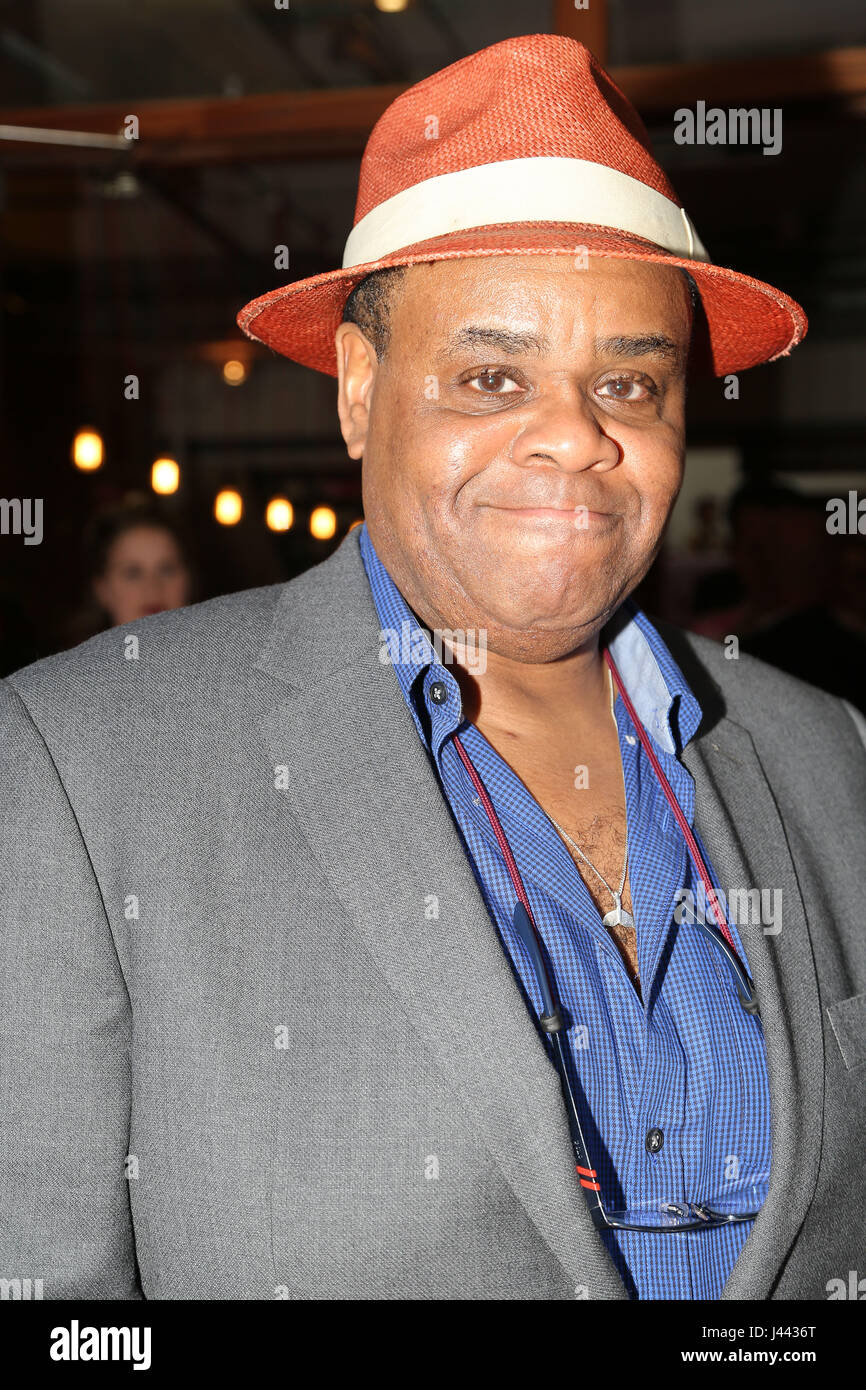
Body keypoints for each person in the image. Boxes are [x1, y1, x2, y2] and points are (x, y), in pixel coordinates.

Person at [2, 35, 863, 1302]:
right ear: (358, 390)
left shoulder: (826, 753)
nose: (574, 436)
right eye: (491, 375)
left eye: (630, 380)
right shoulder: (82, 764)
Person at [65, 498, 193, 644]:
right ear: (102, 589)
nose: (153, 588)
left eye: (167, 570)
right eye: (133, 573)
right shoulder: (76, 665)